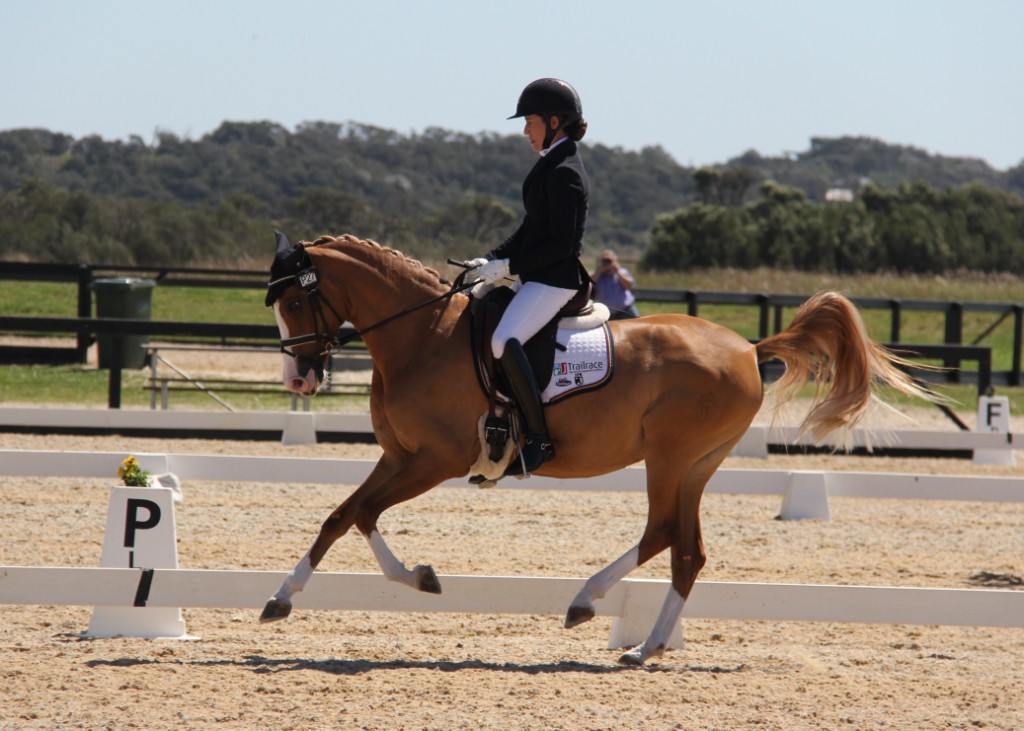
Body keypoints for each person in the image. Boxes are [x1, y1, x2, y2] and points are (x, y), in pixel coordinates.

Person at [465, 78, 591, 474]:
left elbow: (560, 245)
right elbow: (529, 230)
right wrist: (489, 260)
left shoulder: (565, 172)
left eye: (530, 122)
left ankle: (538, 438)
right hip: (534, 275)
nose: (525, 131)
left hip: (555, 280)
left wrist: (510, 268)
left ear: (555, 122)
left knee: (504, 339)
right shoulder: (549, 164)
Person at [590, 249, 639, 320]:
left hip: (626, 311)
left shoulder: (623, 272)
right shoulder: (596, 274)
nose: (607, 263)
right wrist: (599, 270)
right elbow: (589, 284)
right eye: (604, 261)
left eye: (609, 261)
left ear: (614, 261)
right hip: (607, 314)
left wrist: (618, 271)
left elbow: (629, 286)